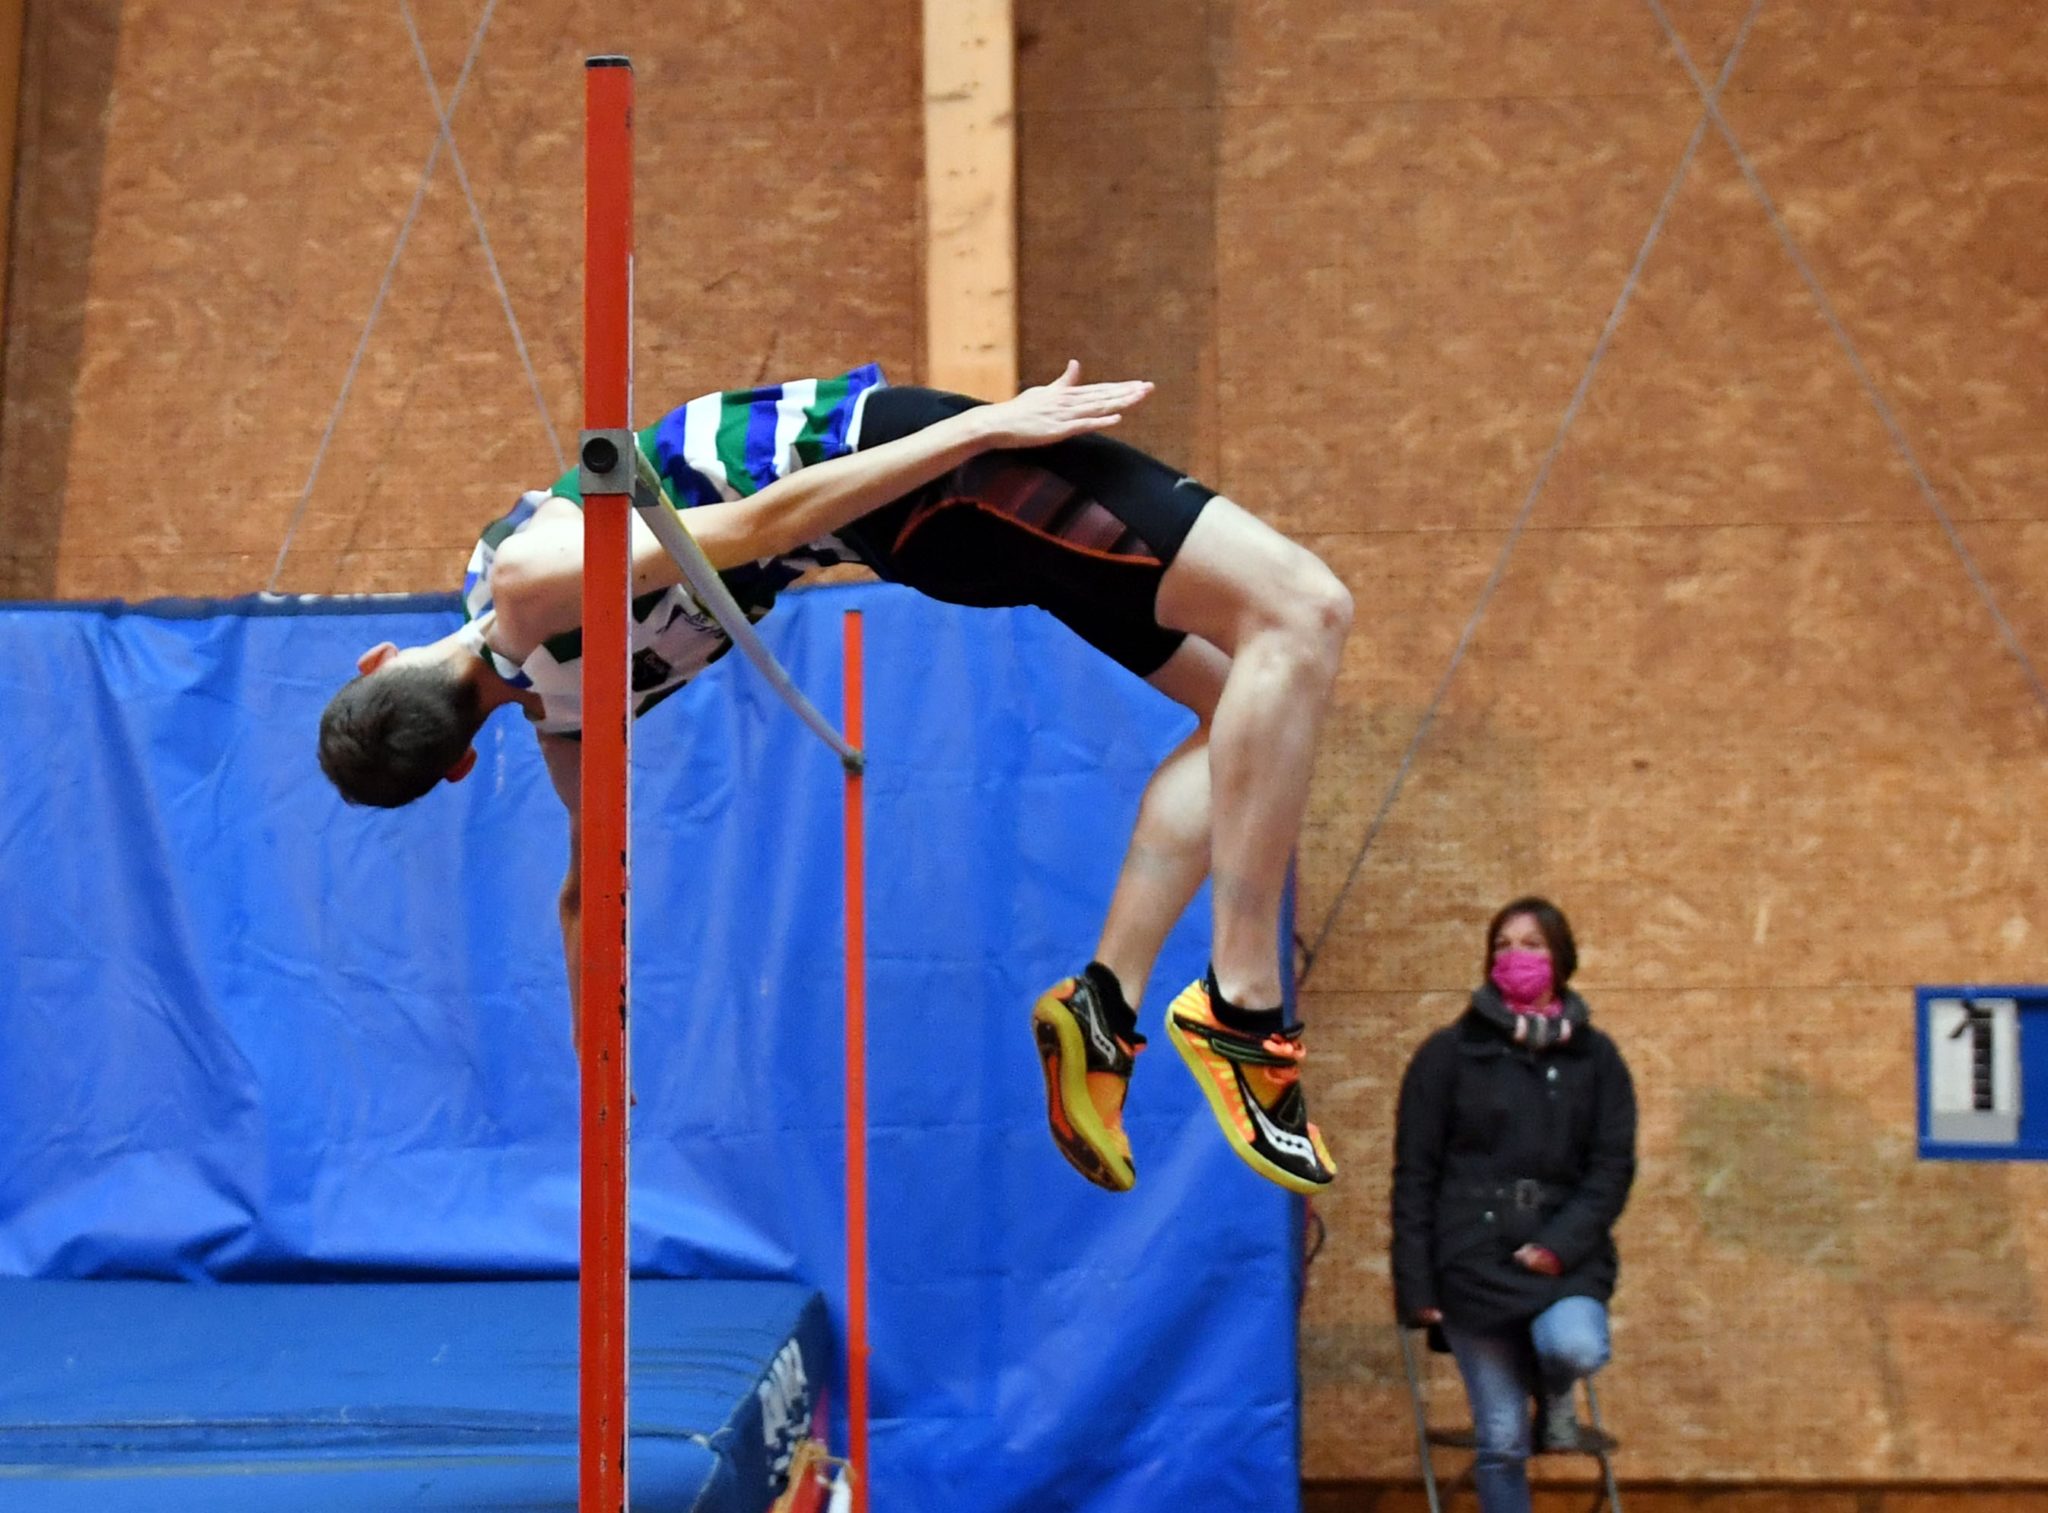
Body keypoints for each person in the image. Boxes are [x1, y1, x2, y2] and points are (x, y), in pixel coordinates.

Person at [317, 362, 1349, 1194]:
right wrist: (979, 428)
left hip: (906, 522)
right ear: (375, 662)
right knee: (1300, 610)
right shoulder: (520, 578)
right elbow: (757, 524)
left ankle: (1104, 1006)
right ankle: (1244, 1001)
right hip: (899, 471)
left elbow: (591, 896)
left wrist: (603, 1068)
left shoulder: (569, 726)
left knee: (1245, 708)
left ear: (454, 766)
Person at [1390, 897, 1636, 1513]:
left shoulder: (1598, 1060)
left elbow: (1611, 1170)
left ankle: (1555, 1395)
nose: (1514, 956)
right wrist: (1415, 1281)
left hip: (1566, 1258)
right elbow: (1415, 1175)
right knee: (1500, 1442)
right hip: (1472, 1264)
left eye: (1531, 944)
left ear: (1560, 959)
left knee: (1575, 1348)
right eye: (1503, 944)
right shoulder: (1446, 1055)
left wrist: (1558, 1246)